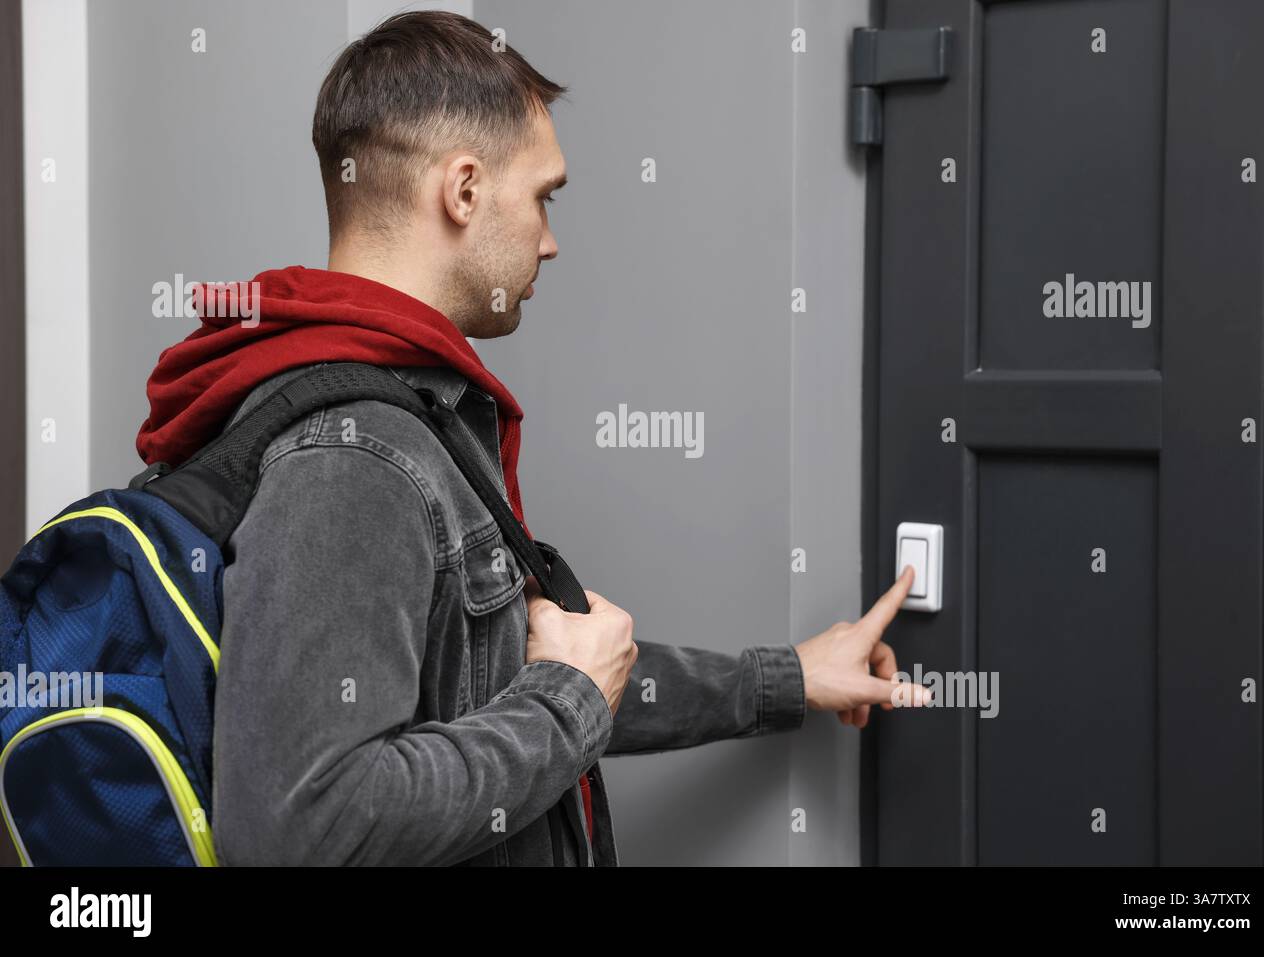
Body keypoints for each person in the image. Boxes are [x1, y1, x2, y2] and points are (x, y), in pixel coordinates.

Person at [134, 10, 928, 867]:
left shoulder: (395, 406)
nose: (550, 243)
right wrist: (565, 701)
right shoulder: (353, 455)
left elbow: (509, 673)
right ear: (464, 190)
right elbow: (302, 828)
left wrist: (787, 679)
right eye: (544, 196)